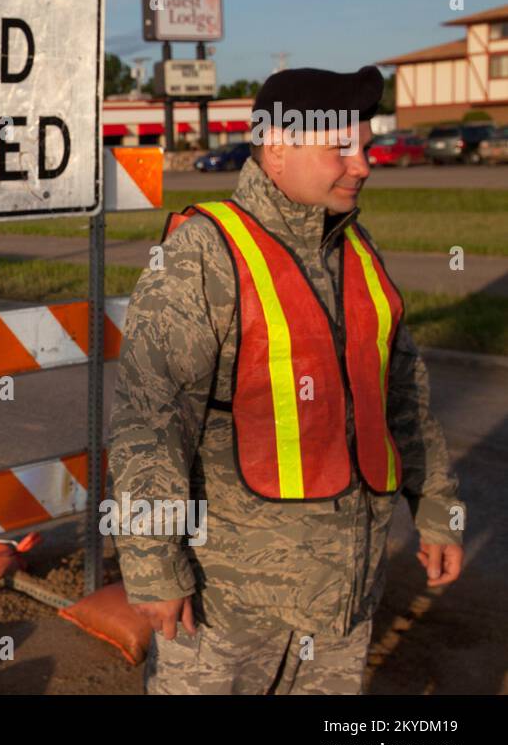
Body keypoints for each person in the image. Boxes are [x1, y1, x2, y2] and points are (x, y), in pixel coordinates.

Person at [108, 66, 465, 694]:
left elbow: (403, 395)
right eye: (341, 149)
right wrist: (154, 564)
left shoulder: (358, 252)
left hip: (344, 603)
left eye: (366, 147)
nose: (362, 166)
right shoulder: (204, 254)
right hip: (227, 609)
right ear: (279, 149)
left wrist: (437, 509)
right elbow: (150, 421)